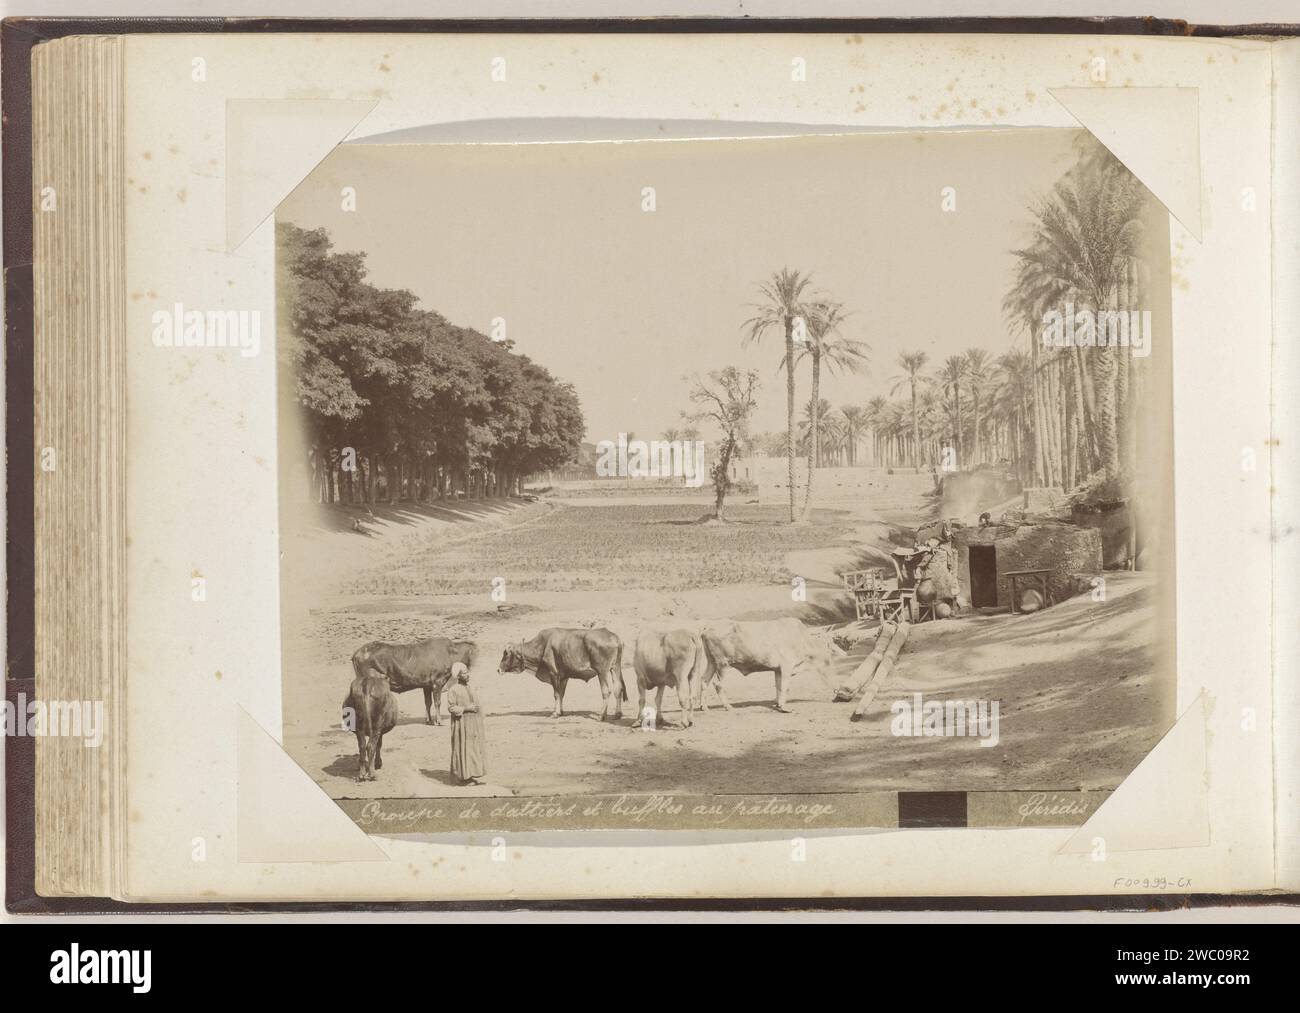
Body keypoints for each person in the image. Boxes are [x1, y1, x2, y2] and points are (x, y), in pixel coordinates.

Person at [446, 662, 486, 786]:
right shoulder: (453, 690)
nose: (467, 675)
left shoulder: (469, 688)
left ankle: (471, 775)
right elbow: (451, 708)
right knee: (462, 749)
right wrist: (466, 709)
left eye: (467, 672)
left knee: (472, 750)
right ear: (458, 676)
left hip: (472, 725)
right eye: (464, 673)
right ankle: (463, 778)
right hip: (461, 725)